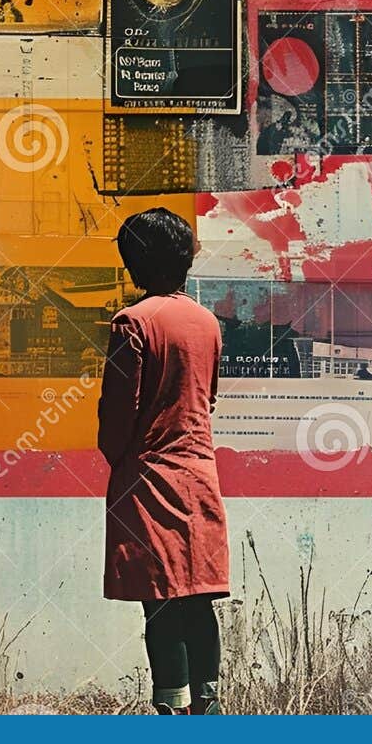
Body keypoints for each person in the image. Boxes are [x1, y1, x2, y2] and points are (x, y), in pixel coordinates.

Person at [98, 207, 228, 715]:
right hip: (201, 473)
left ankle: (170, 711)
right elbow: (207, 398)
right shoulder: (207, 322)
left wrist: (118, 459)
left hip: (150, 475)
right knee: (198, 600)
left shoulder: (131, 322)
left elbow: (117, 414)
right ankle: (209, 707)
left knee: (162, 601)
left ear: (136, 263)